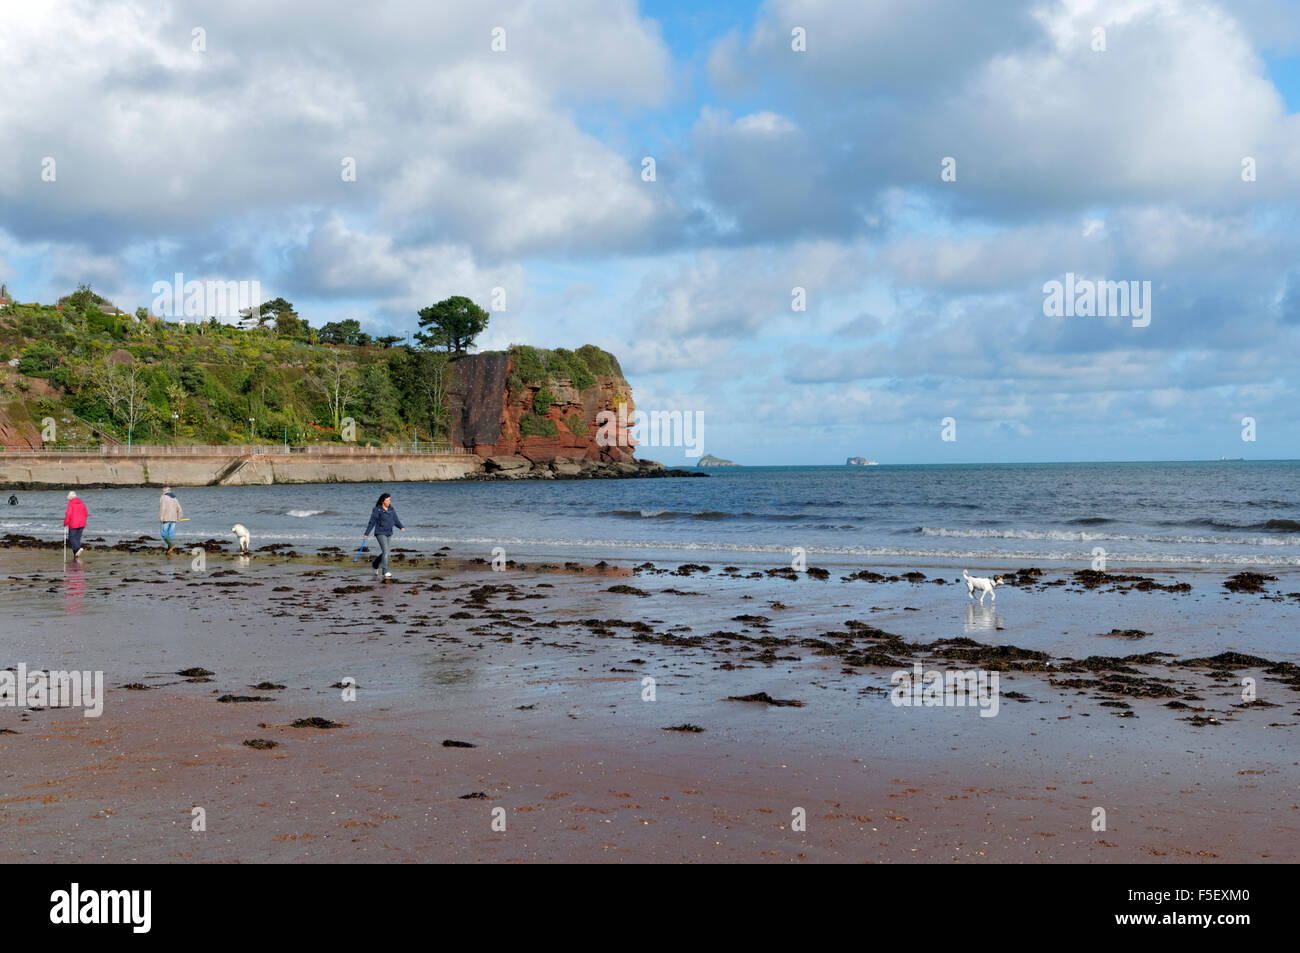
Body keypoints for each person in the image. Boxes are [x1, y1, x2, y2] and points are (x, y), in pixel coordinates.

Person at [362, 491, 405, 579]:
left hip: (389, 533)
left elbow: (395, 520)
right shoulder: (377, 510)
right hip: (380, 533)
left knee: (386, 552)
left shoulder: (391, 509)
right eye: (387, 500)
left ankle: (375, 564)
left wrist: (401, 527)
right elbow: (372, 522)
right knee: (386, 552)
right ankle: (385, 571)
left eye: (390, 500)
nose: (389, 502)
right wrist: (367, 533)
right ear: (383, 501)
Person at [63, 490, 88, 559]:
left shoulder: (71, 504)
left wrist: (65, 523)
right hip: (82, 524)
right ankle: (76, 554)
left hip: (73, 524)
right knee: (77, 539)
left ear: (70, 497)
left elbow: (68, 514)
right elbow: (86, 514)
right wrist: (83, 520)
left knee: (71, 538)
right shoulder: (82, 503)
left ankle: (78, 548)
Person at [158, 486, 183, 554]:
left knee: (163, 533)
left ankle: (172, 545)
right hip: (174, 519)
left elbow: (162, 508)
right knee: (170, 534)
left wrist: (161, 517)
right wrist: (179, 518)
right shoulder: (175, 498)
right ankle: (169, 550)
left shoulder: (163, 497)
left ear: (164, 492)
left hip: (166, 518)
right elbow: (180, 509)